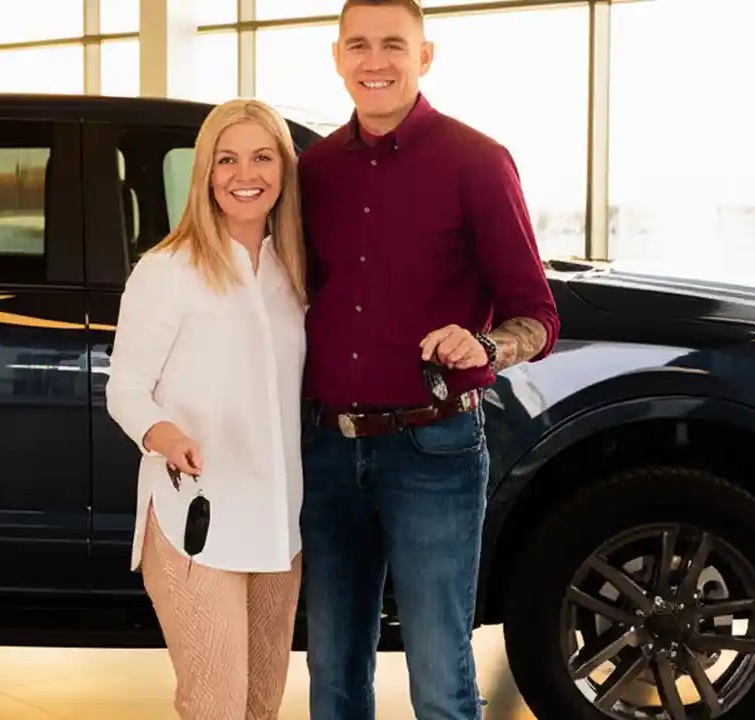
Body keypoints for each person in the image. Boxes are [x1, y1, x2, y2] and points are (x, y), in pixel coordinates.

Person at [297, 1, 562, 718]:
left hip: (433, 448)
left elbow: (537, 316)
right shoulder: (314, 170)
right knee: (332, 674)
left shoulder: (477, 162)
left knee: (441, 678)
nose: (374, 61)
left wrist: (485, 345)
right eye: (358, 45)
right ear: (337, 56)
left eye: (392, 45)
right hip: (325, 449)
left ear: (426, 54)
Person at [105, 97, 308, 720]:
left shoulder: (292, 271)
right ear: (205, 173)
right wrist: (166, 435)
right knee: (215, 706)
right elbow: (125, 388)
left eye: (261, 157)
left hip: (279, 522)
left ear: (283, 170)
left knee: (260, 705)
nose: (244, 174)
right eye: (227, 159)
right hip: (196, 513)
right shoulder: (167, 270)